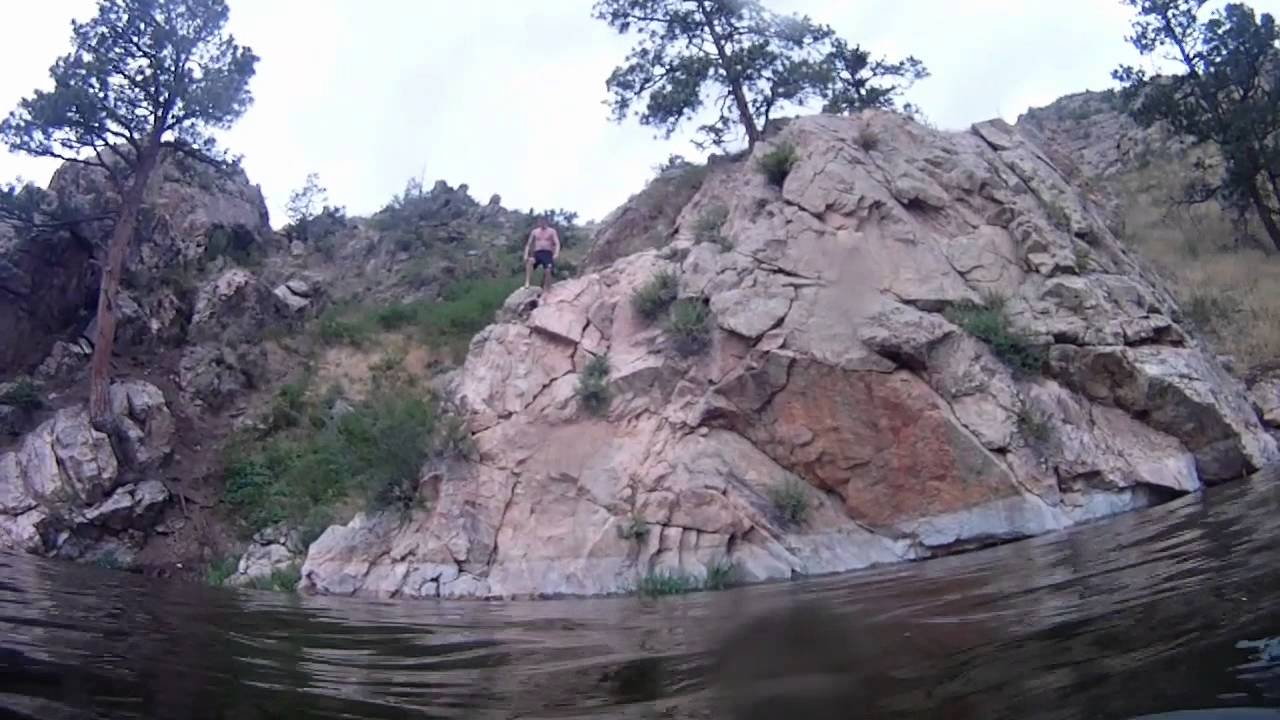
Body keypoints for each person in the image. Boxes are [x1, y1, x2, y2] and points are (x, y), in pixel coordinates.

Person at [523, 216, 561, 290]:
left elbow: (557, 243)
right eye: (540, 222)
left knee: (548, 269)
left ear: (546, 222)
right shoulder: (535, 231)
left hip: (547, 253)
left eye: (543, 222)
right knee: (530, 262)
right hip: (537, 253)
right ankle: (527, 282)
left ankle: (547, 286)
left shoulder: (552, 231)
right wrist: (526, 254)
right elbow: (528, 244)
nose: (541, 223)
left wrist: (556, 253)